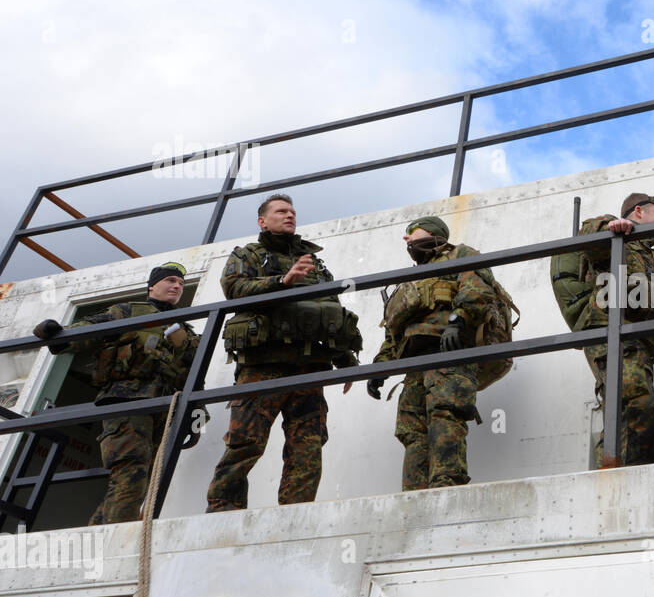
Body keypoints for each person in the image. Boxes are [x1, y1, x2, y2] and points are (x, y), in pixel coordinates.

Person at [206, 194, 361, 512]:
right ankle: (223, 509)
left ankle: (295, 511)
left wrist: (345, 357)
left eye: (292, 211)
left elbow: (330, 310)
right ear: (262, 220)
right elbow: (233, 289)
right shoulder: (247, 255)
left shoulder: (314, 262)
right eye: (281, 211)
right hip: (262, 365)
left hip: (308, 367)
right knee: (245, 442)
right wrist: (282, 281)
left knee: (308, 444)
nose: (289, 215)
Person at [33, 262, 200, 524]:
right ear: (152, 286)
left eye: (180, 284)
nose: (177, 286)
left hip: (165, 409)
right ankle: (113, 543)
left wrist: (197, 414)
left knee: (141, 480)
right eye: (170, 280)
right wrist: (57, 333)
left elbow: (195, 370)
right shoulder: (127, 312)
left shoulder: (185, 330)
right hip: (127, 401)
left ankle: (97, 534)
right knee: (131, 473)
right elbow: (89, 329)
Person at [367, 216, 497, 490]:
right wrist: (379, 367)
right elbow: (395, 329)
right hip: (415, 362)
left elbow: (477, 290)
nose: (406, 238)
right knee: (411, 428)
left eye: (412, 232)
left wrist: (458, 320)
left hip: (450, 352)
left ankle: (446, 484)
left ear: (434, 232)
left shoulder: (460, 254)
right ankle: (414, 493)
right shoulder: (411, 278)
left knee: (445, 413)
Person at [576, 193, 654, 466]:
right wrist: (611, 227)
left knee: (638, 406)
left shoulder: (648, 256)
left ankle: (639, 477)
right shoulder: (619, 238)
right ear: (638, 212)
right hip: (613, 336)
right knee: (633, 403)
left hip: (640, 343)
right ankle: (617, 477)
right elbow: (588, 232)